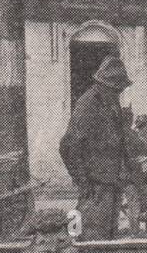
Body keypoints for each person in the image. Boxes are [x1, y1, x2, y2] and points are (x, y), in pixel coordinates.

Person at [59, 55, 140, 241]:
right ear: (104, 85)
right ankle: (68, 245)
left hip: (112, 182)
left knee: (106, 236)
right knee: (82, 232)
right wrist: (82, 181)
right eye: (116, 90)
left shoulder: (111, 104)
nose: (119, 93)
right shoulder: (87, 105)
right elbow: (67, 146)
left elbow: (118, 140)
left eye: (120, 90)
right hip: (94, 185)